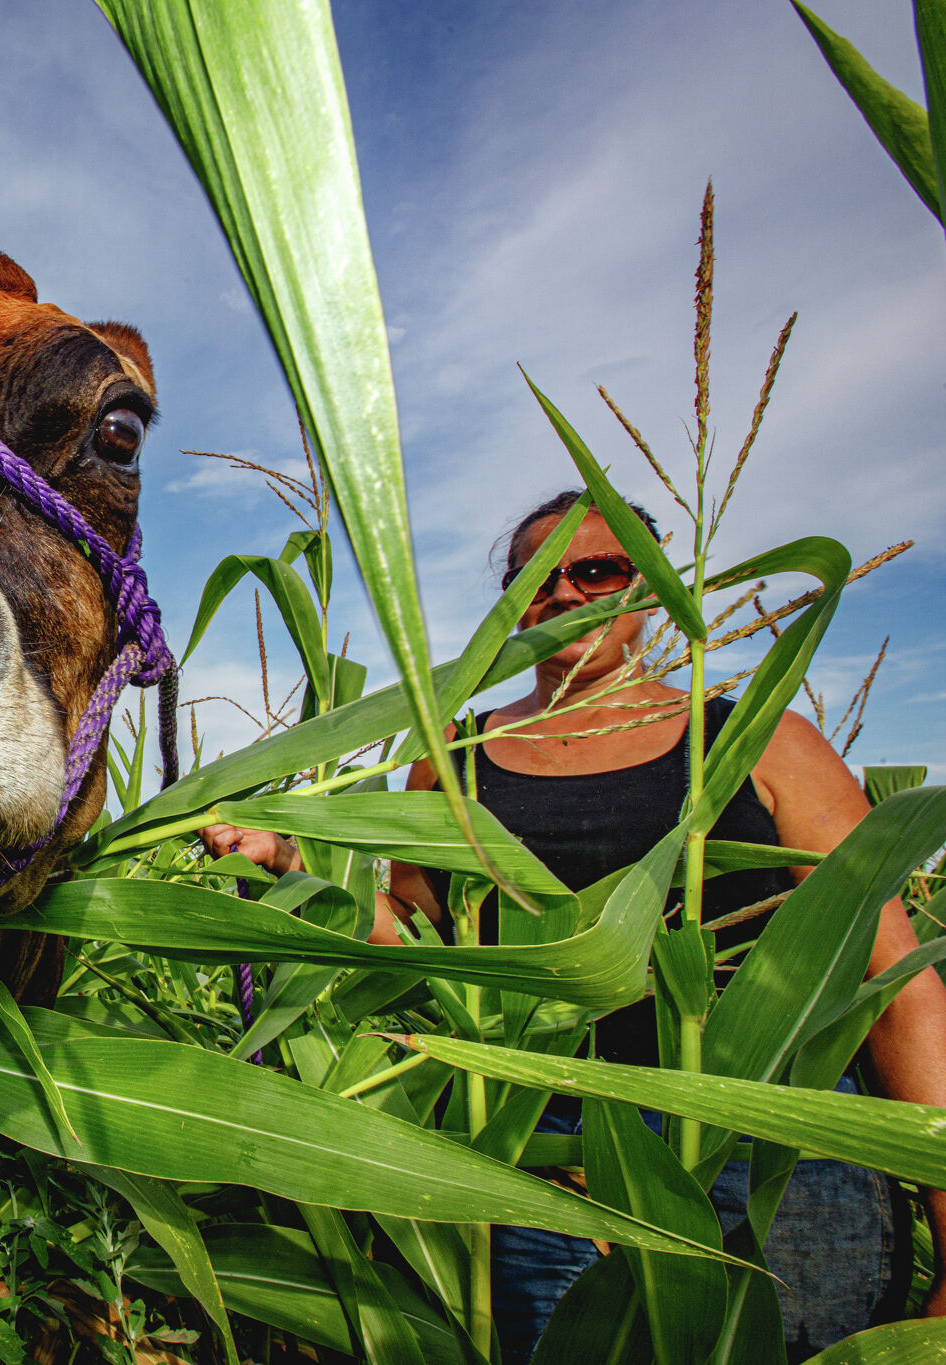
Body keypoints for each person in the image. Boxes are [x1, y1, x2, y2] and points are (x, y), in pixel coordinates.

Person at [202, 490, 946, 1361]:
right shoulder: (454, 757)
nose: (564, 593)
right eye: (535, 581)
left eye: (596, 570)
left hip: (772, 1157)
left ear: (651, 584)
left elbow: (897, 986)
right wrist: (295, 861)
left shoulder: (760, 739)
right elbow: (418, 944)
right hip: (538, 1148)